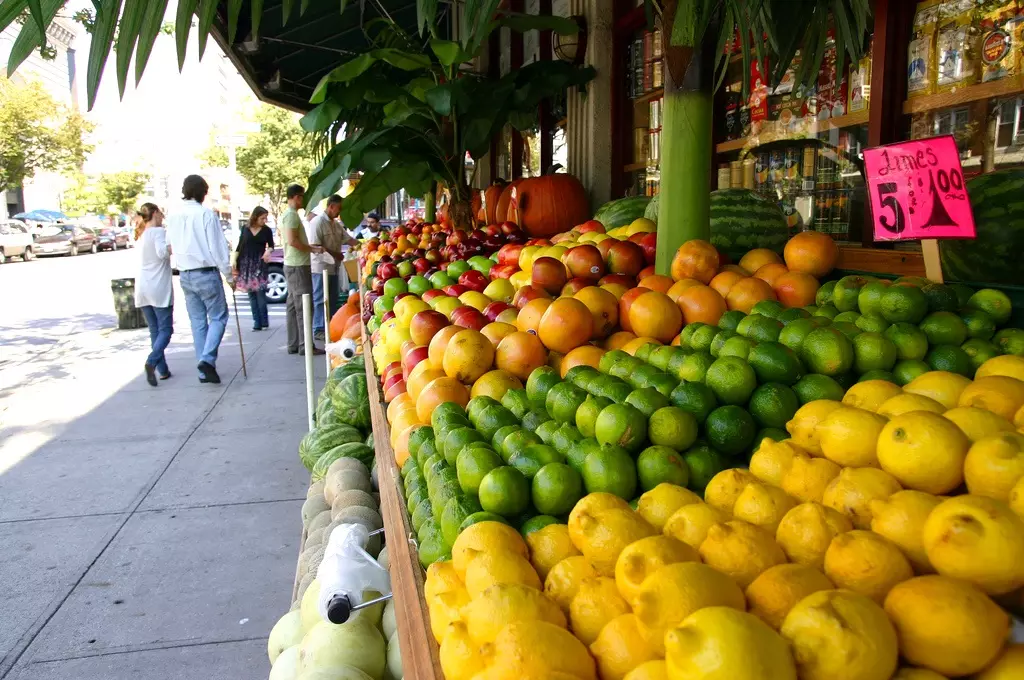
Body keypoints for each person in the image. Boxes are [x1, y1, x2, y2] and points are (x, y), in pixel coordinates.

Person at [166, 174, 234, 384]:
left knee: (198, 322)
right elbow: (218, 247)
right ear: (202, 193)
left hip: (185, 273)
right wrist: (229, 275)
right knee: (218, 317)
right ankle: (206, 359)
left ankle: (204, 369)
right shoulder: (205, 215)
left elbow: (170, 245)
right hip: (206, 272)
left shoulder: (173, 215)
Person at [309, 194, 360, 340]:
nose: (340, 212)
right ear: (331, 206)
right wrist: (336, 254)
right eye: (339, 208)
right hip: (321, 267)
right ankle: (318, 329)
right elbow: (316, 246)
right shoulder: (317, 222)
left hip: (334, 267)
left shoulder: (336, 224)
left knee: (332, 298)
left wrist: (365, 245)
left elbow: (348, 239)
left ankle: (328, 327)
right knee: (320, 297)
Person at [281, 184, 324, 355]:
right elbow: (293, 241)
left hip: (293, 264)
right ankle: (305, 345)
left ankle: (294, 343)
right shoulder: (291, 216)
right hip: (297, 265)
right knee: (303, 306)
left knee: (293, 305)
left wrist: (309, 246)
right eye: (302, 197)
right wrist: (311, 249)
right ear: (296, 197)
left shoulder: (288, 215)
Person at [134, 203, 173, 386]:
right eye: (161, 213)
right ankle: (152, 361)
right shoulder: (158, 232)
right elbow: (161, 253)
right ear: (155, 213)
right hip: (158, 287)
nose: (162, 217)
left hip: (143, 287)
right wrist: (171, 248)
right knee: (166, 329)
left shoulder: (139, 234)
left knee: (154, 330)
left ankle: (162, 369)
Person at [233, 206, 274, 331]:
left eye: (266, 218)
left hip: (260, 263)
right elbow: (240, 245)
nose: (264, 220)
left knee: (260, 293)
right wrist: (235, 260)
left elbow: (271, 245)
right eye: (262, 218)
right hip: (246, 263)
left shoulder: (266, 230)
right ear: (255, 217)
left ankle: (264, 322)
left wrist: (268, 252)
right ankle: (256, 322)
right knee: (251, 294)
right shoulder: (245, 228)